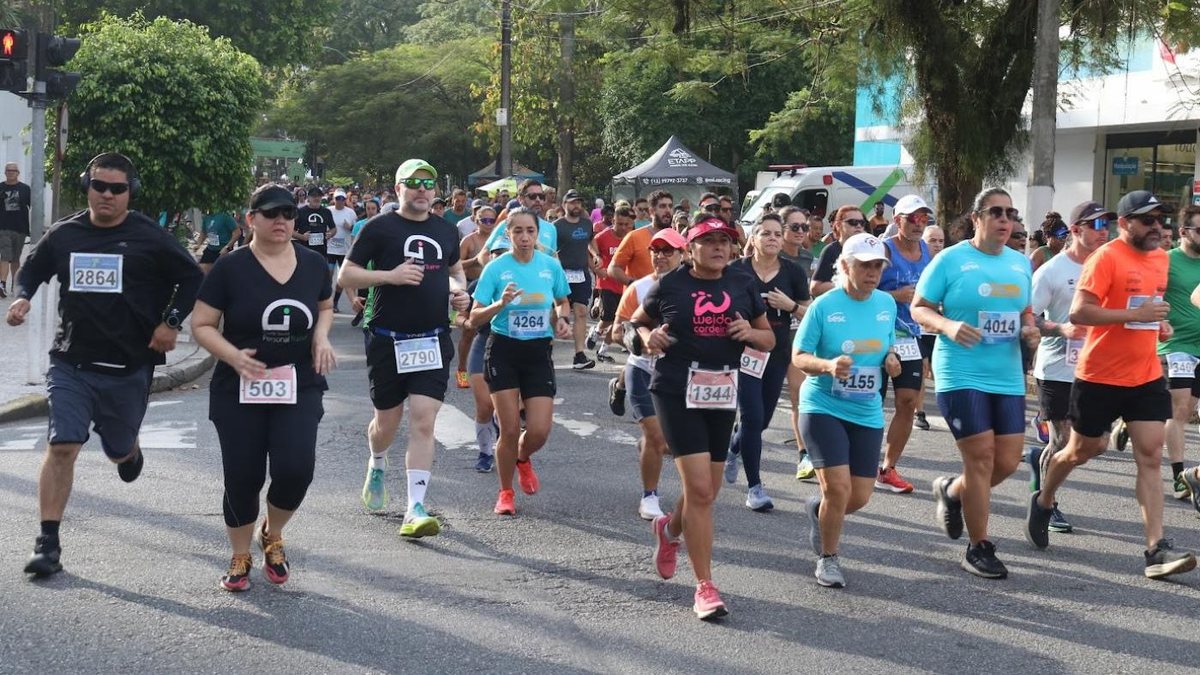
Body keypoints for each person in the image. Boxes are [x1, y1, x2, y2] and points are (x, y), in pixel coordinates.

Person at [10, 152, 203, 577]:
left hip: (129, 364)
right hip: (71, 361)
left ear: (129, 193)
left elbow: (191, 276)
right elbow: (33, 269)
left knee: (118, 450)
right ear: (88, 187)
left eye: (117, 189)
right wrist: (23, 296)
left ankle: (128, 451)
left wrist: (171, 322)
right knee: (62, 446)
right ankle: (48, 542)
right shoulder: (65, 234)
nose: (108, 195)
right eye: (100, 186)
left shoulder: (149, 237)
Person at [1029, 190, 1197, 580]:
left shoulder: (1158, 259)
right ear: (1124, 224)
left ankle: (1156, 549)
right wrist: (1132, 314)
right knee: (1082, 450)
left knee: (1151, 457)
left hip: (1145, 374)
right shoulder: (1105, 258)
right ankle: (1044, 497)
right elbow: (1080, 311)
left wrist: (1158, 324)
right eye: (1147, 220)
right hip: (1099, 375)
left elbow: (1148, 306)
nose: (1157, 227)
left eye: (1161, 219)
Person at [191, 184, 336, 591]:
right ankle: (240, 555)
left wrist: (321, 337)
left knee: (296, 469)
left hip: (298, 381)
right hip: (239, 386)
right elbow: (201, 324)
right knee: (243, 475)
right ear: (250, 219)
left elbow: (324, 307)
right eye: (271, 213)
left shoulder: (313, 264)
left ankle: (272, 533)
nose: (281, 221)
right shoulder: (230, 268)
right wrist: (234, 356)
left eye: (288, 213)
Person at [632, 216, 774, 621]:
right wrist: (647, 337)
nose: (717, 247)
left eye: (724, 241)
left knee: (706, 494)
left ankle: (668, 530)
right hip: (677, 388)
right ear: (690, 249)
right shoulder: (671, 284)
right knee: (697, 488)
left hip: (722, 390)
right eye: (707, 240)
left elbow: (769, 339)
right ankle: (705, 587)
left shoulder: (743, 283)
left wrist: (749, 331)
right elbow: (635, 324)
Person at [339, 159, 469, 538]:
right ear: (398, 189)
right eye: (413, 183)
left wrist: (459, 293)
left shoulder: (445, 231)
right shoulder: (380, 228)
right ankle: (377, 461)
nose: (422, 190)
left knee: (424, 419)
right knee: (387, 424)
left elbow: (455, 273)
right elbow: (345, 274)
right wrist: (389, 277)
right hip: (386, 337)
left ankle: (415, 506)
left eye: (428, 183)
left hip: (431, 337)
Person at [912, 187, 1038, 579]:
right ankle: (979, 545)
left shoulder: (1020, 265)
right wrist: (947, 325)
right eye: (996, 212)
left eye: (1011, 213)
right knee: (981, 456)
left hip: (1006, 373)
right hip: (960, 371)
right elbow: (919, 307)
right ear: (976, 218)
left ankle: (952, 492)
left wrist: (1031, 329)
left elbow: (1026, 312)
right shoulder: (950, 260)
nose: (1006, 220)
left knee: (1005, 460)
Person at [796, 233, 902, 587]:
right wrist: (827, 366)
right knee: (838, 488)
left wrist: (891, 359)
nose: (872, 272)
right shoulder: (824, 306)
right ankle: (828, 558)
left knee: (859, 496)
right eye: (864, 265)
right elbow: (798, 356)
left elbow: (888, 346)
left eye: (877, 266)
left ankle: (819, 510)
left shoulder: (887, 304)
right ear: (845, 266)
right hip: (822, 405)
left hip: (866, 409)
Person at [470, 208, 572, 516]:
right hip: (503, 350)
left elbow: (562, 299)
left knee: (539, 430)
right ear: (508, 234)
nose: (525, 237)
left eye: (530, 231)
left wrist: (562, 319)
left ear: (537, 233)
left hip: (538, 352)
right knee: (510, 428)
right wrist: (500, 304)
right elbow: (474, 316)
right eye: (518, 231)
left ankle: (523, 458)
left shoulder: (550, 266)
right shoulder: (496, 269)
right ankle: (505, 491)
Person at [1028, 200, 1114, 538]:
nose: (1102, 231)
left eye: (1106, 225)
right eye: (1094, 225)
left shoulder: (1109, 266)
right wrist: (1061, 329)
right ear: (1075, 230)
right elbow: (1030, 317)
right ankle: (1047, 504)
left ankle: (1041, 461)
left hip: (1097, 367)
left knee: (1099, 444)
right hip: (1056, 369)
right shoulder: (1051, 271)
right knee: (1063, 439)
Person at [723, 213, 810, 511]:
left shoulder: (794, 272)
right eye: (766, 233)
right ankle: (755, 488)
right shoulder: (735, 271)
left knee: (761, 421)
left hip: (777, 353)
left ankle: (734, 447)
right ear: (754, 238)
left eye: (777, 233)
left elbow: (809, 314)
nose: (772, 238)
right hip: (743, 354)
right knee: (751, 416)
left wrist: (790, 306)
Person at [610, 228, 688, 519]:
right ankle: (649, 496)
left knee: (667, 442)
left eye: (668, 251)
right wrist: (642, 340)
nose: (660, 256)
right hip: (643, 369)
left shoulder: (696, 289)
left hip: (679, 374)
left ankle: (648, 448)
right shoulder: (639, 288)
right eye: (655, 250)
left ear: (684, 254)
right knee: (657, 438)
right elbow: (616, 332)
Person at [875, 194, 934, 493]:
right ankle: (860, 460)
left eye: (923, 218)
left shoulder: (926, 250)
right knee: (870, 401)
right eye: (912, 218)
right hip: (877, 333)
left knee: (908, 402)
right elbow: (863, 288)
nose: (918, 224)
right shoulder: (884, 249)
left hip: (910, 337)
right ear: (897, 220)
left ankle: (888, 468)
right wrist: (895, 296)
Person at [554, 189, 597, 370]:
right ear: (564, 205)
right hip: (561, 274)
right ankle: (545, 352)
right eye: (572, 202)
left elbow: (590, 241)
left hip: (581, 273)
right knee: (556, 315)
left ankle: (579, 355)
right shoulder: (557, 225)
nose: (576, 206)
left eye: (578, 202)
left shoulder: (587, 224)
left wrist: (596, 256)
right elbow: (550, 250)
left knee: (580, 312)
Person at [810, 206, 868, 299]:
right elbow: (815, 288)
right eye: (852, 222)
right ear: (839, 225)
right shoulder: (831, 250)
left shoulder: (867, 249)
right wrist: (846, 283)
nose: (858, 226)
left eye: (862, 223)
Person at [1, 161, 32, 297]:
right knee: (5, 255)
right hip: (3, 227)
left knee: (15, 258)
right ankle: (2, 284)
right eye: (8, 170)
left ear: (18, 173)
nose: (10, 173)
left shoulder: (25, 189)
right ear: (5, 172)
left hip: (20, 228)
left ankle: (15, 284)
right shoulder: (0, 188)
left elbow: (33, 206)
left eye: (13, 170)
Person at [328, 189, 357, 311]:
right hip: (330, 249)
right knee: (328, 276)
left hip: (344, 250)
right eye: (337, 198)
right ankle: (326, 302)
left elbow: (356, 230)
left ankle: (335, 302)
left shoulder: (350, 212)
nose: (340, 201)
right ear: (333, 199)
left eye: (342, 199)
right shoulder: (328, 211)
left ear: (345, 200)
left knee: (341, 278)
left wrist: (349, 227)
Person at [294, 187, 335, 259]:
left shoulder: (326, 212)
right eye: (314, 196)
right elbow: (291, 231)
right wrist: (302, 237)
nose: (316, 198)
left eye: (319, 196)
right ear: (308, 198)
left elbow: (333, 228)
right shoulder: (300, 211)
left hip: (321, 251)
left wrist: (330, 234)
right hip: (304, 251)